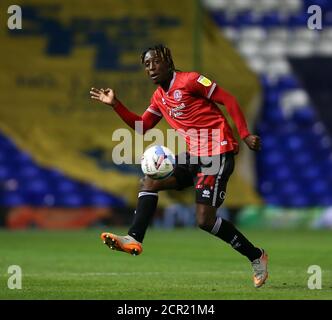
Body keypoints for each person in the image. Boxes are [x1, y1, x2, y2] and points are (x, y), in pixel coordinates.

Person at [90, 44, 268, 288]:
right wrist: (116, 104)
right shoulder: (159, 97)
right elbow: (142, 127)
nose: (151, 68)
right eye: (146, 65)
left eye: (155, 62)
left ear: (168, 61)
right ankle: (134, 238)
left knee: (205, 221)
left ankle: (256, 256)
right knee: (149, 182)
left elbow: (228, 99)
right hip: (193, 155)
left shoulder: (191, 80)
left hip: (217, 153)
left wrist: (245, 134)